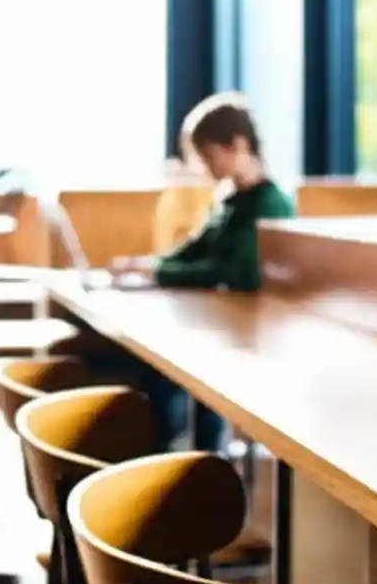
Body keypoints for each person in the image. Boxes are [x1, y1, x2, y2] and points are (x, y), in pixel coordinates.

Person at [117, 91, 294, 446]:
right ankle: (177, 458)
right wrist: (152, 265)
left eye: (209, 156)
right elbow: (198, 246)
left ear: (238, 145)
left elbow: (233, 271)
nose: (206, 167)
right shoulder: (230, 199)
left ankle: (183, 459)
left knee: (171, 376)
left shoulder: (268, 203)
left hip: (252, 334)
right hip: (224, 324)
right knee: (158, 369)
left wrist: (159, 273)